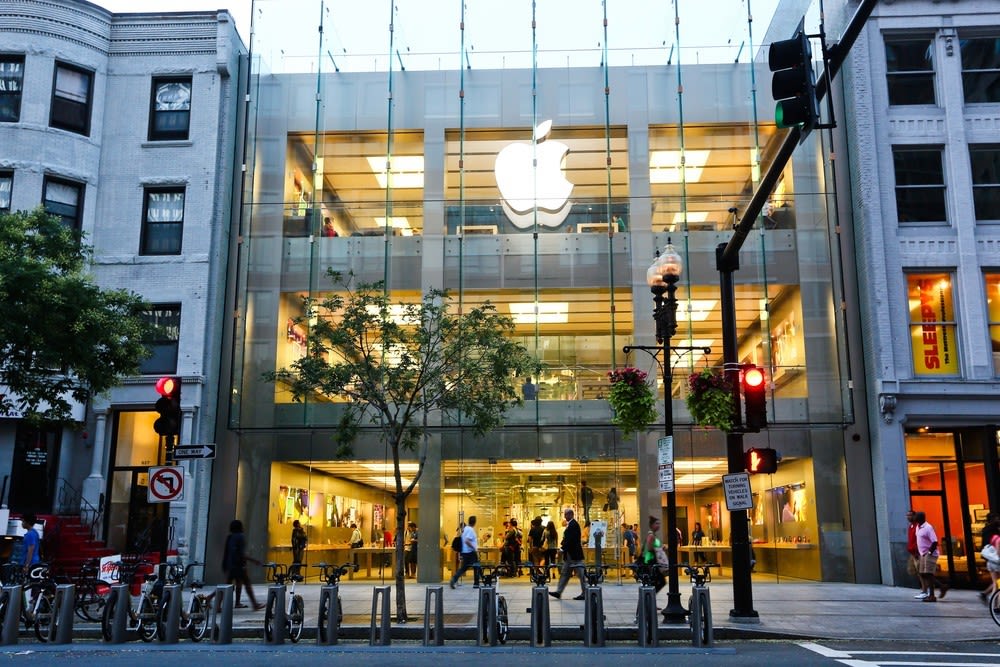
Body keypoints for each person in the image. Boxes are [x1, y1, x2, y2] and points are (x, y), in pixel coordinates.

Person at [222, 519, 264, 610]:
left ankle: (219, 602)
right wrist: (254, 560)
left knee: (229, 585)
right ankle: (254, 604)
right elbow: (241, 553)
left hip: (230, 565)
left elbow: (229, 552)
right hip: (238, 565)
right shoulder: (240, 537)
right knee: (246, 584)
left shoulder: (230, 536)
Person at [549, 508, 587, 600]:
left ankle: (585, 593)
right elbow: (567, 538)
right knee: (565, 573)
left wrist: (562, 548)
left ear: (571, 515)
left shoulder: (573, 524)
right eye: (565, 514)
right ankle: (558, 592)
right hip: (570, 555)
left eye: (566, 514)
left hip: (574, 555)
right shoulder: (571, 524)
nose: (565, 516)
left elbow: (571, 540)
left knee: (581, 575)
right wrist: (563, 545)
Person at [914, 511, 948, 602]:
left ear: (921, 518)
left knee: (928, 573)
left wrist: (929, 552)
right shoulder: (918, 527)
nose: (915, 518)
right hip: (922, 554)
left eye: (917, 516)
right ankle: (941, 587)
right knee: (923, 573)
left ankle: (932, 595)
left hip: (930, 554)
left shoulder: (928, 528)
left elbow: (935, 541)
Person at [449, 515, 479, 589]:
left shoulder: (465, 529)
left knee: (464, 568)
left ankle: (454, 579)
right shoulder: (471, 530)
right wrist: (474, 547)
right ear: (475, 522)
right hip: (470, 552)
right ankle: (476, 583)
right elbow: (467, 540)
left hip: (464, 552)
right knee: (476, 566)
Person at [979, 512, 1000, 604]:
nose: (998, 520)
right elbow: (997, 547)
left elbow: (984, 544)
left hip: (990, 558)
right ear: (992, 520)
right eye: (997, 518)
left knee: (996, 582)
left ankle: (987, 595)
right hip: (995, 559)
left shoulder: (985, 529)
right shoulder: (994, 532)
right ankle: (996, 604)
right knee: (997, 583)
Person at [906, 509, 922, 596]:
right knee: (915, 571)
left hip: (917, 553)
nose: (908, 517)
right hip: (912, 552)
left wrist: (916, 552)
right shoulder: (911, 526)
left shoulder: (917, 526)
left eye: (910, 515)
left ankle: (926, 590)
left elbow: (918, 540)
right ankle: (924, 590)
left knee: (922, 573)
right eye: (907, 515)